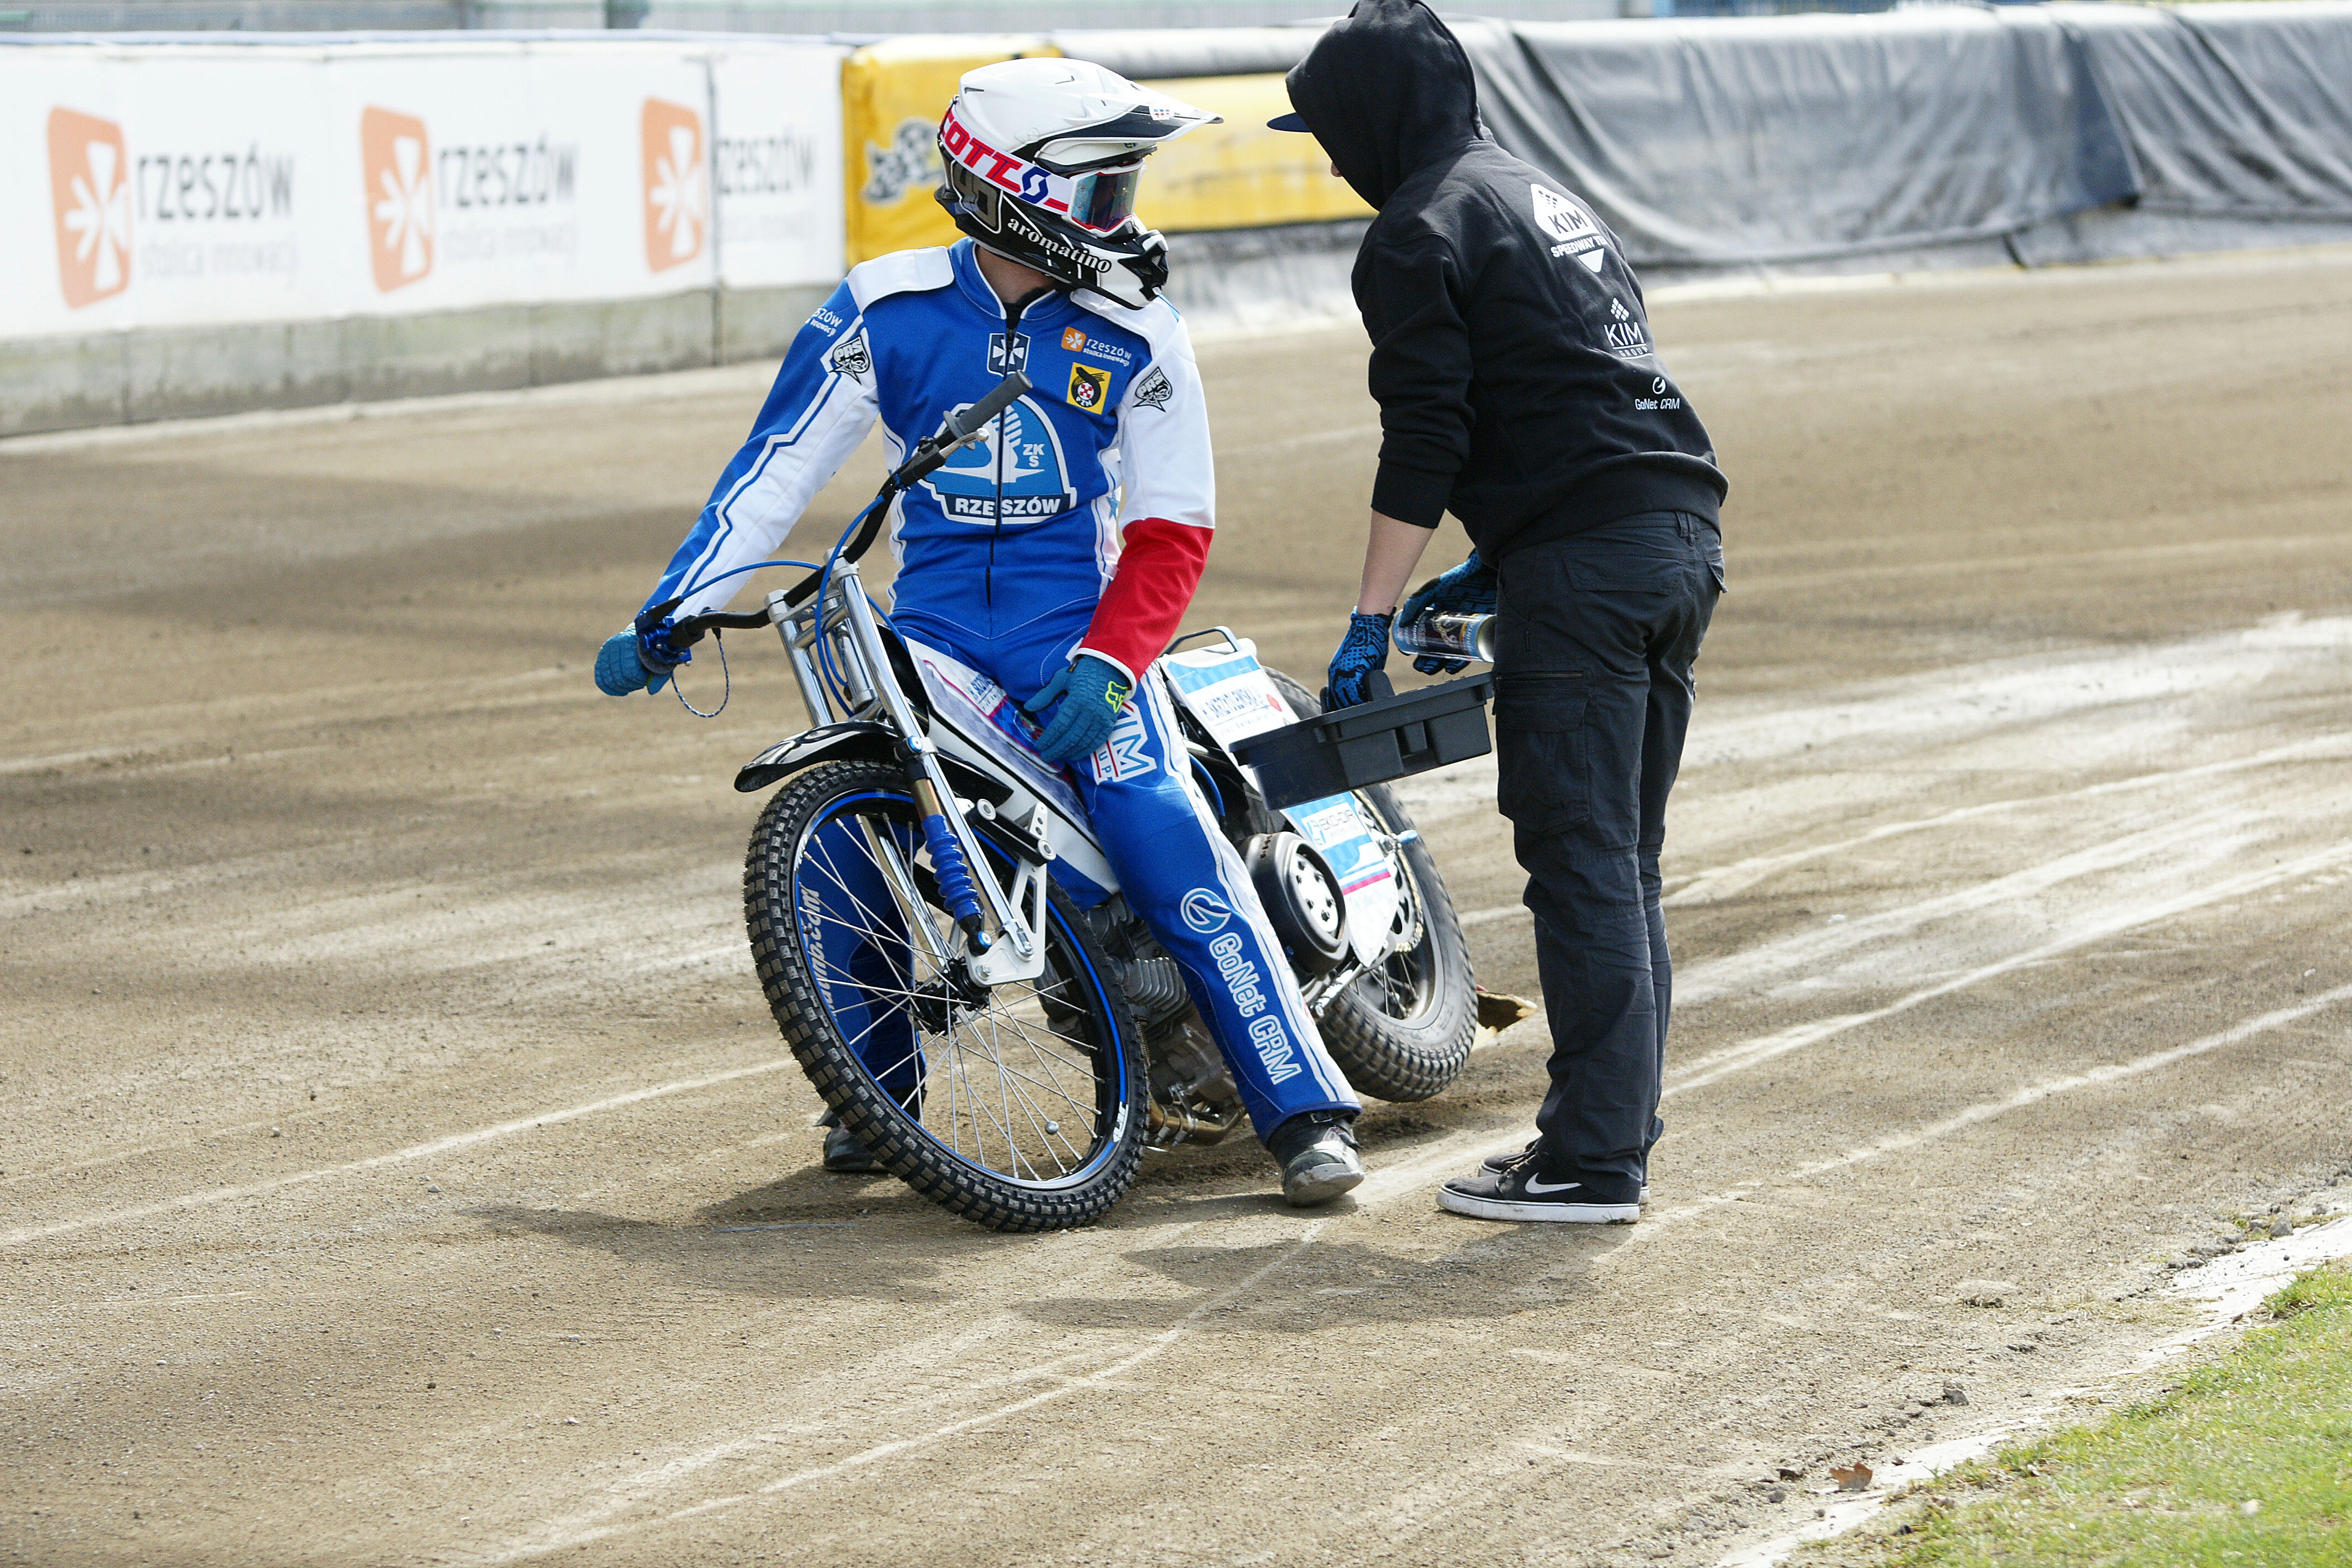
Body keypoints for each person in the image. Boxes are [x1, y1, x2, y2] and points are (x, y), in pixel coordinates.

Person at [594, 58, 1368, 1206]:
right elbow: (772, 476)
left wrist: (1112, 666)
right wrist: (673, 611)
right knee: (854, 834)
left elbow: (1172, 529)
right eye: (1103, 193)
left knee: (1158, 824)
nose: (1126, 217)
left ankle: (1301, 1103)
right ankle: (874, 1094)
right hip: (933, 644)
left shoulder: (1141, 328)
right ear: (1013, 191)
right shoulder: (883, 306)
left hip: (1083, 638)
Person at [1274, 0, 1729, 1222]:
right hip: (1677, 536)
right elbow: (1575, 385)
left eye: (1328, 128)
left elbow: (1426, 436)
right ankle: (1612, 1129)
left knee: (1581, 865)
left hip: (1587, 568)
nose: (1326, 155)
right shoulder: (1538, 192)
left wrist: (1372, 619)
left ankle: (1591, 1162)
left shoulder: (1414, 230)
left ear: (1378, 115)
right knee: (1622, 864)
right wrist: (1496, 558)